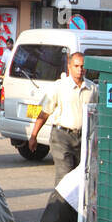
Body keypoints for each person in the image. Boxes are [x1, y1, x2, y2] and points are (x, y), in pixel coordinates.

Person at [28, 51, 96, 184]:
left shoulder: (92, 89)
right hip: (62, 137)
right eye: (76, 66)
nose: (80, 69)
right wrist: (33, 135)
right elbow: (44, 113)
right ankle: (56, 205)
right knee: (64, 178)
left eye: (82, 66)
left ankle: (72, 206)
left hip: (83, 138)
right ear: (69, 67)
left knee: (80, 180)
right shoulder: (59, 87)